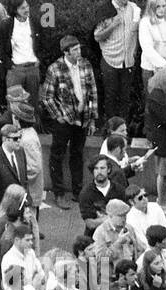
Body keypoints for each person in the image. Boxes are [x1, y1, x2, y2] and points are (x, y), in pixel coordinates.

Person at [40, 34, 99, 210]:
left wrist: (92, 119)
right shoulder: (55, 68)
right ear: (66, 52)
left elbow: (93, 91)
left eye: (79, 48)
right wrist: (59, 115)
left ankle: (78, 192)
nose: (79, 52)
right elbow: (47, 97)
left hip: (82, 118)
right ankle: (59, 193)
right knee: (57, 155)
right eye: (75, 50)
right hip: (64, 119)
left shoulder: (85, 65)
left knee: (77, 154)